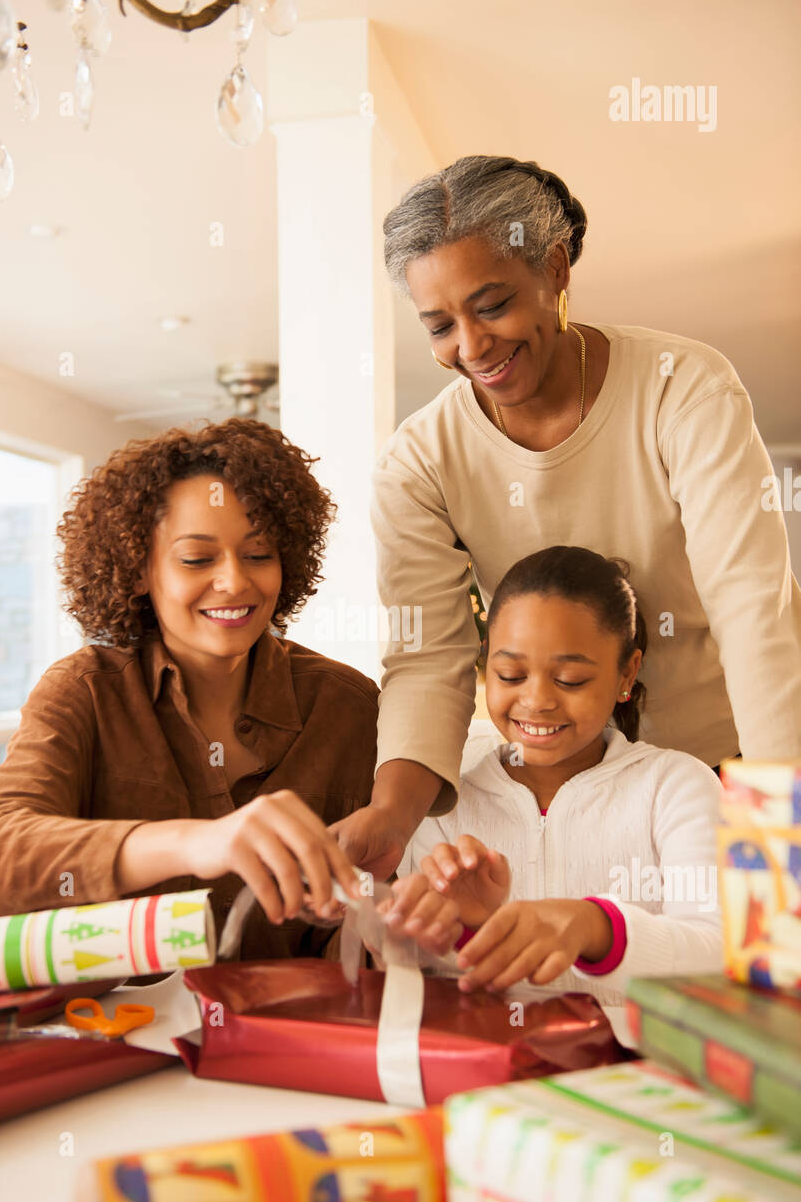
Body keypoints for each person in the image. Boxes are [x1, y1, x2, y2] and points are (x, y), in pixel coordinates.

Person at [333, 154, 801, 880]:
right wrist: (392, 817)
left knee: (747, 982)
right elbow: (430, 657)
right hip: (566, 783)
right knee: (597, 970)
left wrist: (779, 818)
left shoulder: (685, 392)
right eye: (439, 325)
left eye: (491, 305)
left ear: (555, 269)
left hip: (725, 762)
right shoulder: (419, 461)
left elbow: (754, 613)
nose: (471, 346)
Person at [0, 420, 374, 959]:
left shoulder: (348, 706)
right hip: (118, 1031)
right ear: (138, 570)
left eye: (259, 554)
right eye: (197, 559)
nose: (235, 582)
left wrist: (385, 927)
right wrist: (194, 842)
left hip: (285, 1033)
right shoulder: (85, 692)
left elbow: (356, 927)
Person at [373, 547, 724, 1011]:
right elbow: (402, 978)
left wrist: (595, 928)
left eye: (571, 679)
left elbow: (720, 957)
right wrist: (453, 929)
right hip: (484, 1073)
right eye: (511, 674)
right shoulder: (443, 795)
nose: (536, 700)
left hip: (633, 1073)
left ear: (627, 672)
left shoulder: (677, 787)